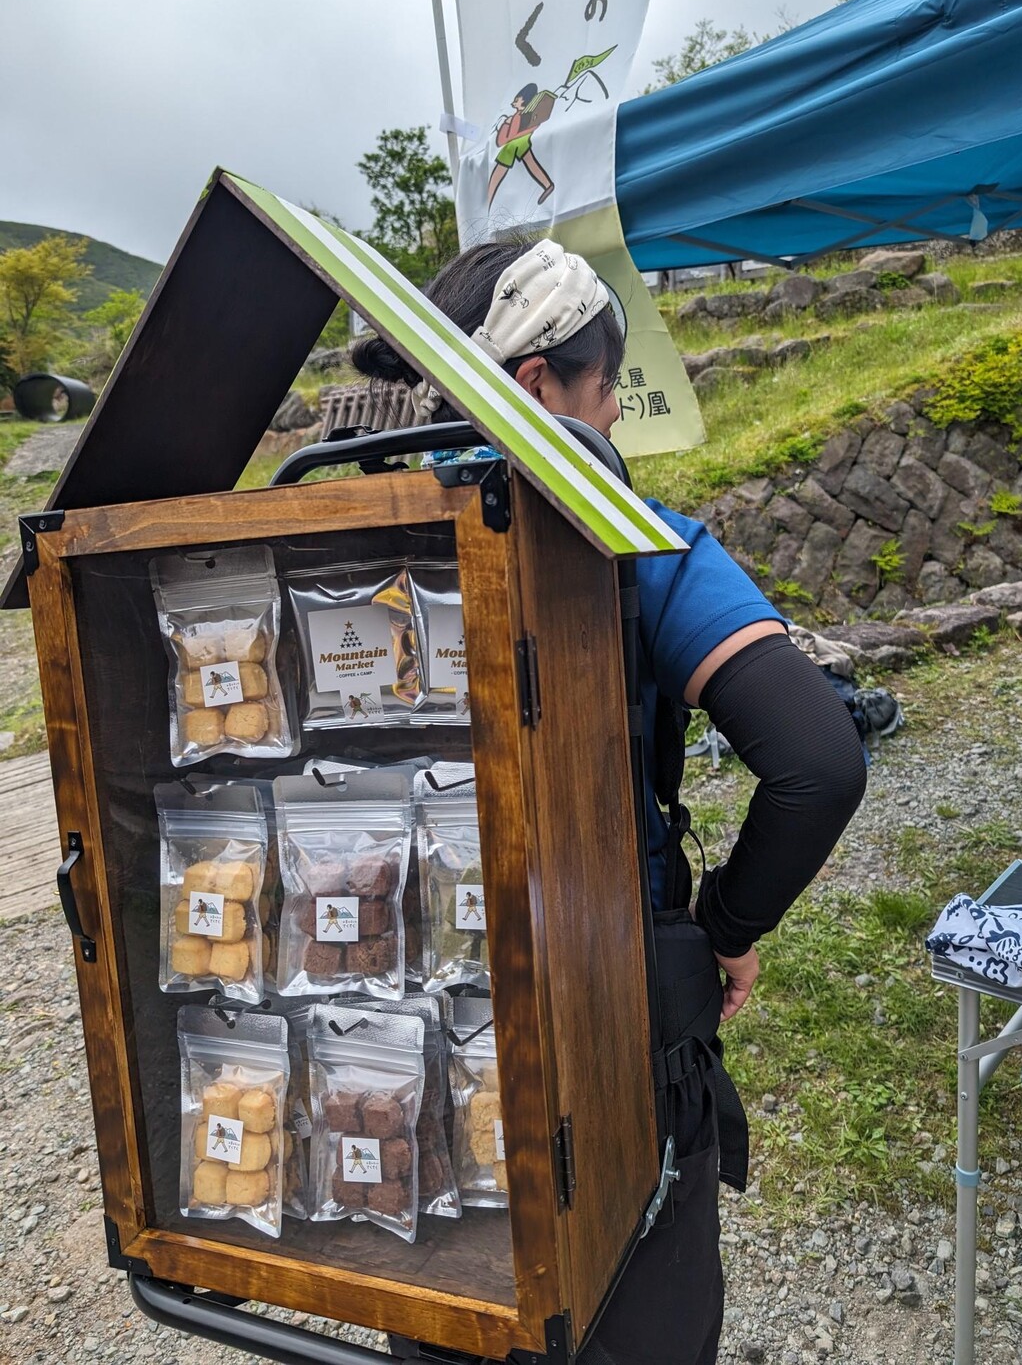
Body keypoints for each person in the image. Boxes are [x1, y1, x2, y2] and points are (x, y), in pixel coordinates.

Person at [354, 239, 867, 1365]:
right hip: (606, 1016)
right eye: (606, 394)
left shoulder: (342, 563)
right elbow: (817, 761)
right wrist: (725, 931)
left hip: (391, 1018)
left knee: (450, 1300)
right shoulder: (643, 549)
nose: (615, 427)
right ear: (540, 387)